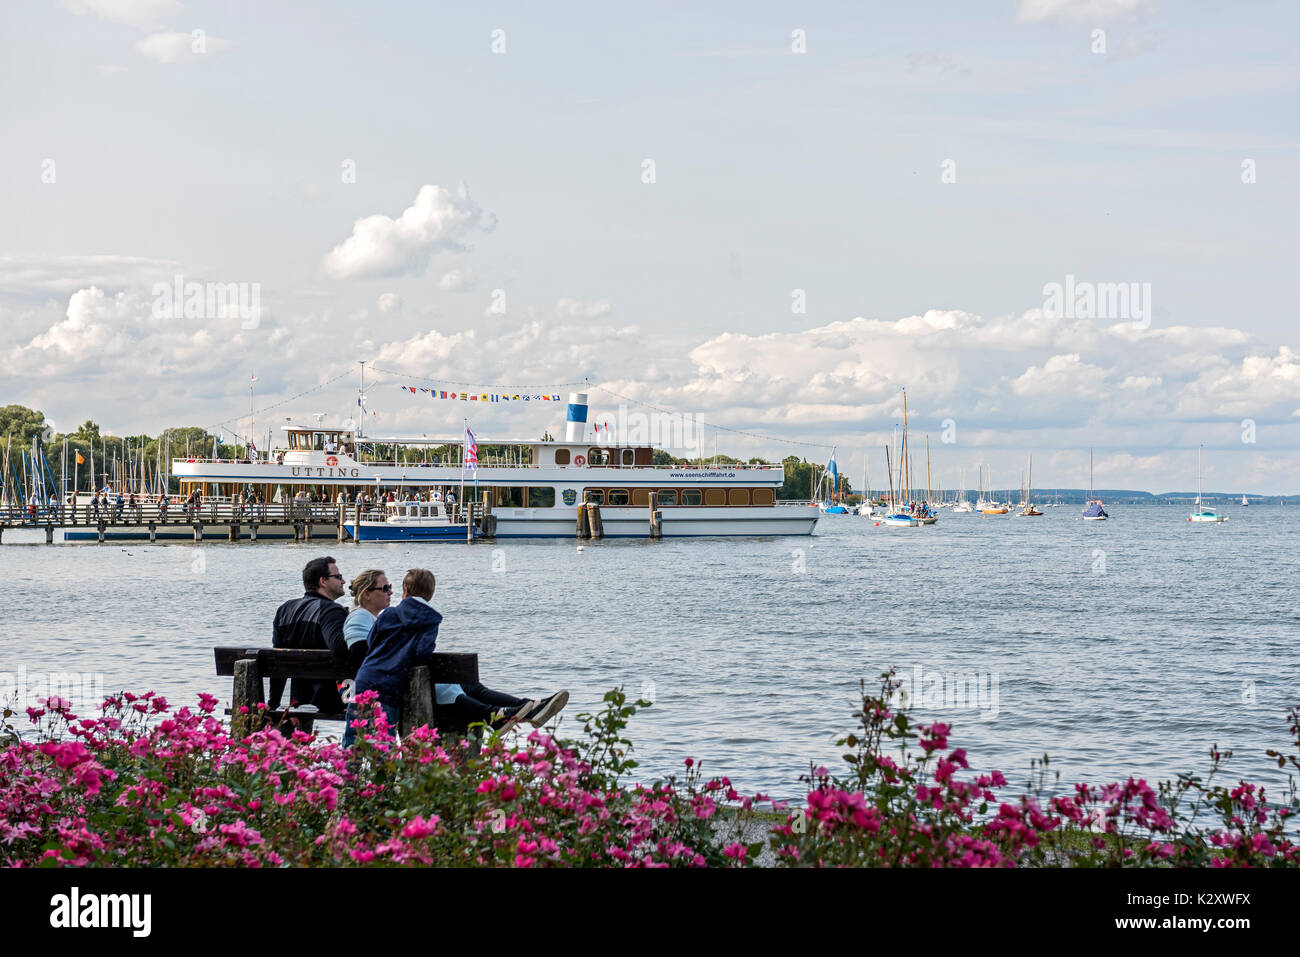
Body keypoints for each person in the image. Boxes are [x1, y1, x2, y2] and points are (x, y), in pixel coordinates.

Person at [344, 568, 568, 747]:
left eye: (392, 587)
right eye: (385, 588)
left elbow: (372, 642)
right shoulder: (428, 620)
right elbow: (421, 652)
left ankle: (517, 709)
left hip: (369, 682)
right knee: (384, 744)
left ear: (405, 589)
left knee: (354, 740)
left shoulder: (389, 614)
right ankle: (518, 709)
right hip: (394, 688)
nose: (390, 592)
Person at [270, 556, 351, 713]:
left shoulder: (285, 609)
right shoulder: (331, 611)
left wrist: (273, 704)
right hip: (331, 700)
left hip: (298, 698)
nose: (343, 581)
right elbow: (340, 649)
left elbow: (277, 659)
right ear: (323, 581)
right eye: (338, 577)